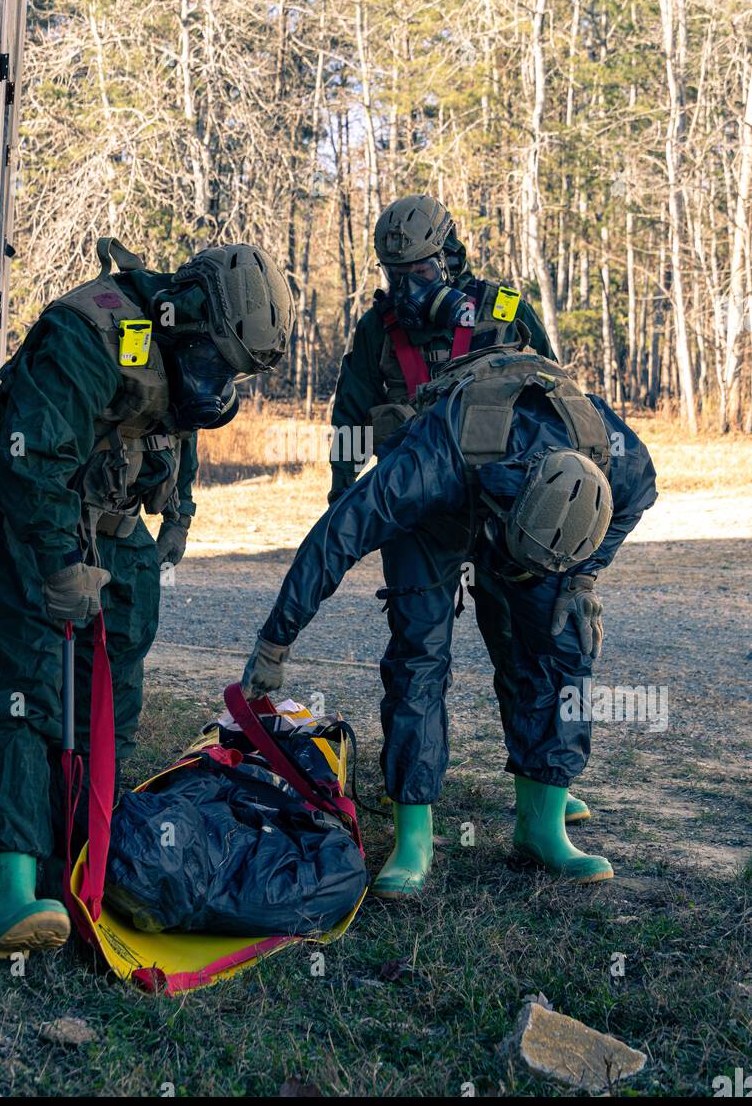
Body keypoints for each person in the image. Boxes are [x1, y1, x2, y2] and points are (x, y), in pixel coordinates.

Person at [0, 238, 294, 957]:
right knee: (31, 693)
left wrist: (178, 515)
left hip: (115, 526)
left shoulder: (188, 353)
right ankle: (13, 891)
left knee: (114, 701)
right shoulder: (90, 332)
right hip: (28, 516)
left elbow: (179, 425)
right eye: (211, 360)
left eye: (228, 372)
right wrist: (58, 565)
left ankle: (80, 862)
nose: (215, 380)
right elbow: (31, 461)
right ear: (182, 316)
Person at [243, 344, 657, 894]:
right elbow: (335, 539)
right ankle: (413, 835)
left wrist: (583, 578)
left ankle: (541, 827)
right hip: (437, 521)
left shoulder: (611, 453)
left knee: (563, 648)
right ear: (503, 508)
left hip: (538, 529)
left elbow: (636, 499)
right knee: (420, 657)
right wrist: (276, 642)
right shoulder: (423, 468)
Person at [328, 195, 591, 830]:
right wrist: (343, 494)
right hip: (420, 517)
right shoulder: (378, 331)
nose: (407, 287)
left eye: (419, 272)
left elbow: (557, 397)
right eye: (395, 275)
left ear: (449, 257)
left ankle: (540, 781)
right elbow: (349, 420)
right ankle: (414, 816)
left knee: (526, 644)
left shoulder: (504, 311)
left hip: (509, 511)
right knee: (416, 654)